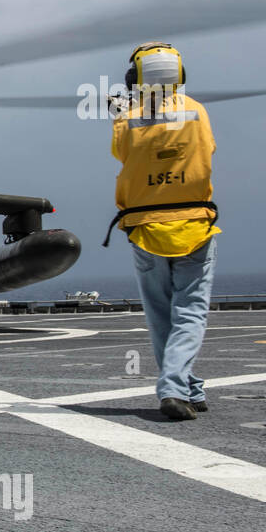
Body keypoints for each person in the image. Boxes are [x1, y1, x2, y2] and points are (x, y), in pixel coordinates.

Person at [104, 41, 219, 421]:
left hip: (146, 229)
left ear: (135, 78)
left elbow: (123, 154)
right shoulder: (198, 112)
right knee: (190, 312)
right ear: (179, 76)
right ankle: (177, 388)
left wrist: (120, 112)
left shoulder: (129, 119)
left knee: (160, 314)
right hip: (193, 226)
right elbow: (209, 149)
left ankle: (184, 387)